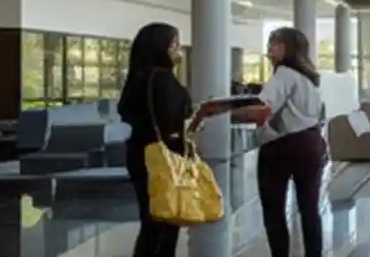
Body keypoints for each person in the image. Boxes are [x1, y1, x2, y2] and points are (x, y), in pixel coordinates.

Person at [117, 23, 215, 257]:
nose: (178, 51)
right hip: (165, 158)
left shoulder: (138, 78)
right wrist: (196, 118)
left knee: (152, 221)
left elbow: (131, 114)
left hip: (141, 153)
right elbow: (172, 123)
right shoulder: (162, 79)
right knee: (165, 224)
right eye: (174, 45)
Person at [234, 28, 327, 257]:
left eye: (276, 43)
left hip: (283, 146)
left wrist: (228, 113)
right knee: (309, 209)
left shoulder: (284, 74)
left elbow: (264, 109)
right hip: (312, 143)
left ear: (290, 48)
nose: (270, 48)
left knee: (273, 210)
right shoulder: (309, 79)